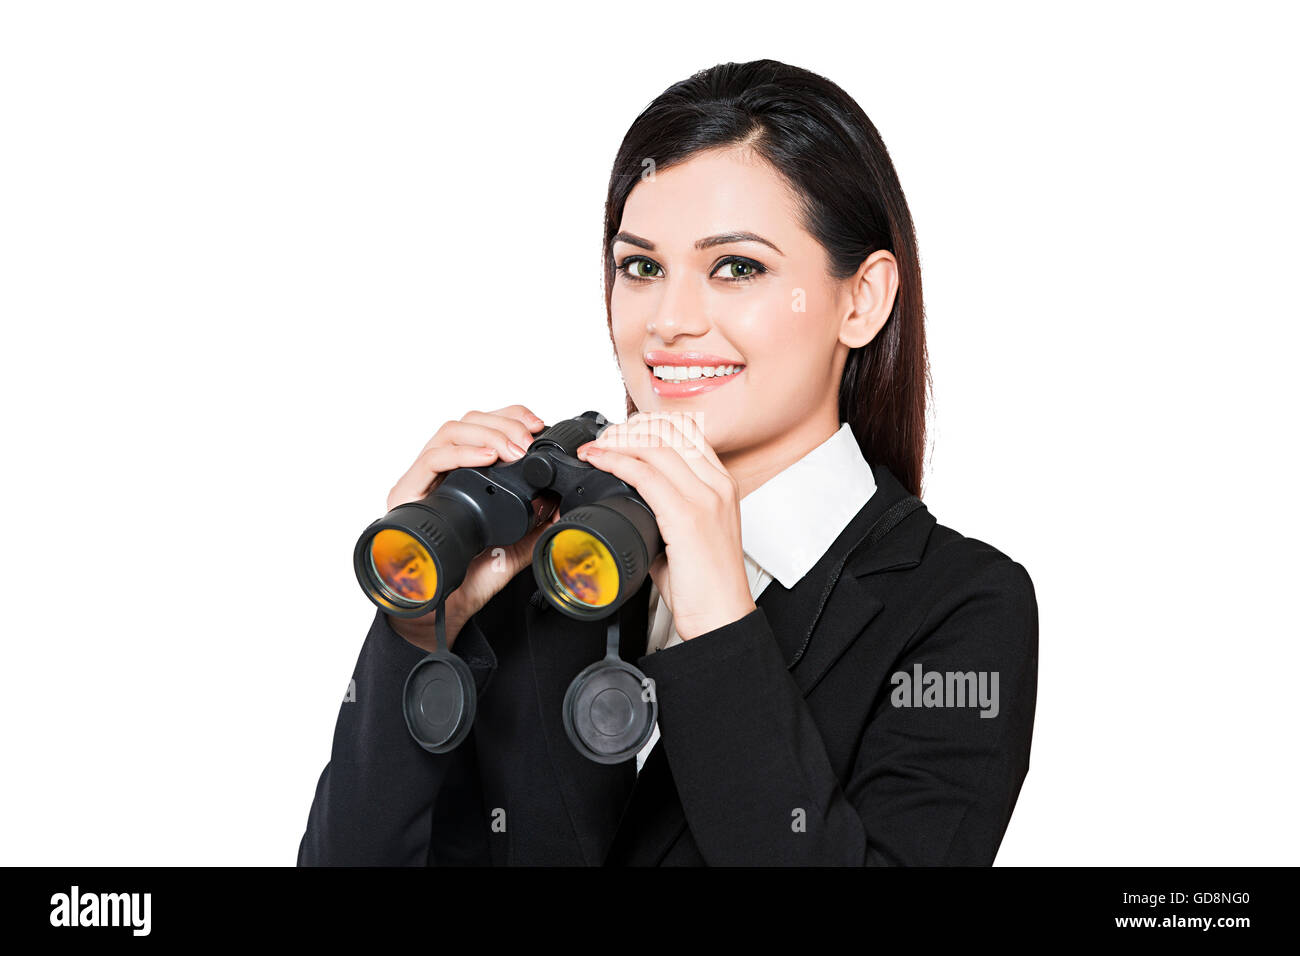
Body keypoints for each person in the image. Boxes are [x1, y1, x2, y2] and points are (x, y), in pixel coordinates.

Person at [297, 58, 1038, 866]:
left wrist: (721, 623)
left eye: (737, 268)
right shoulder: (546, 559)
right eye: (641, 268)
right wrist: (419, 628)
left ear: (861, 299)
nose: (670, 321)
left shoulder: (960, 609)